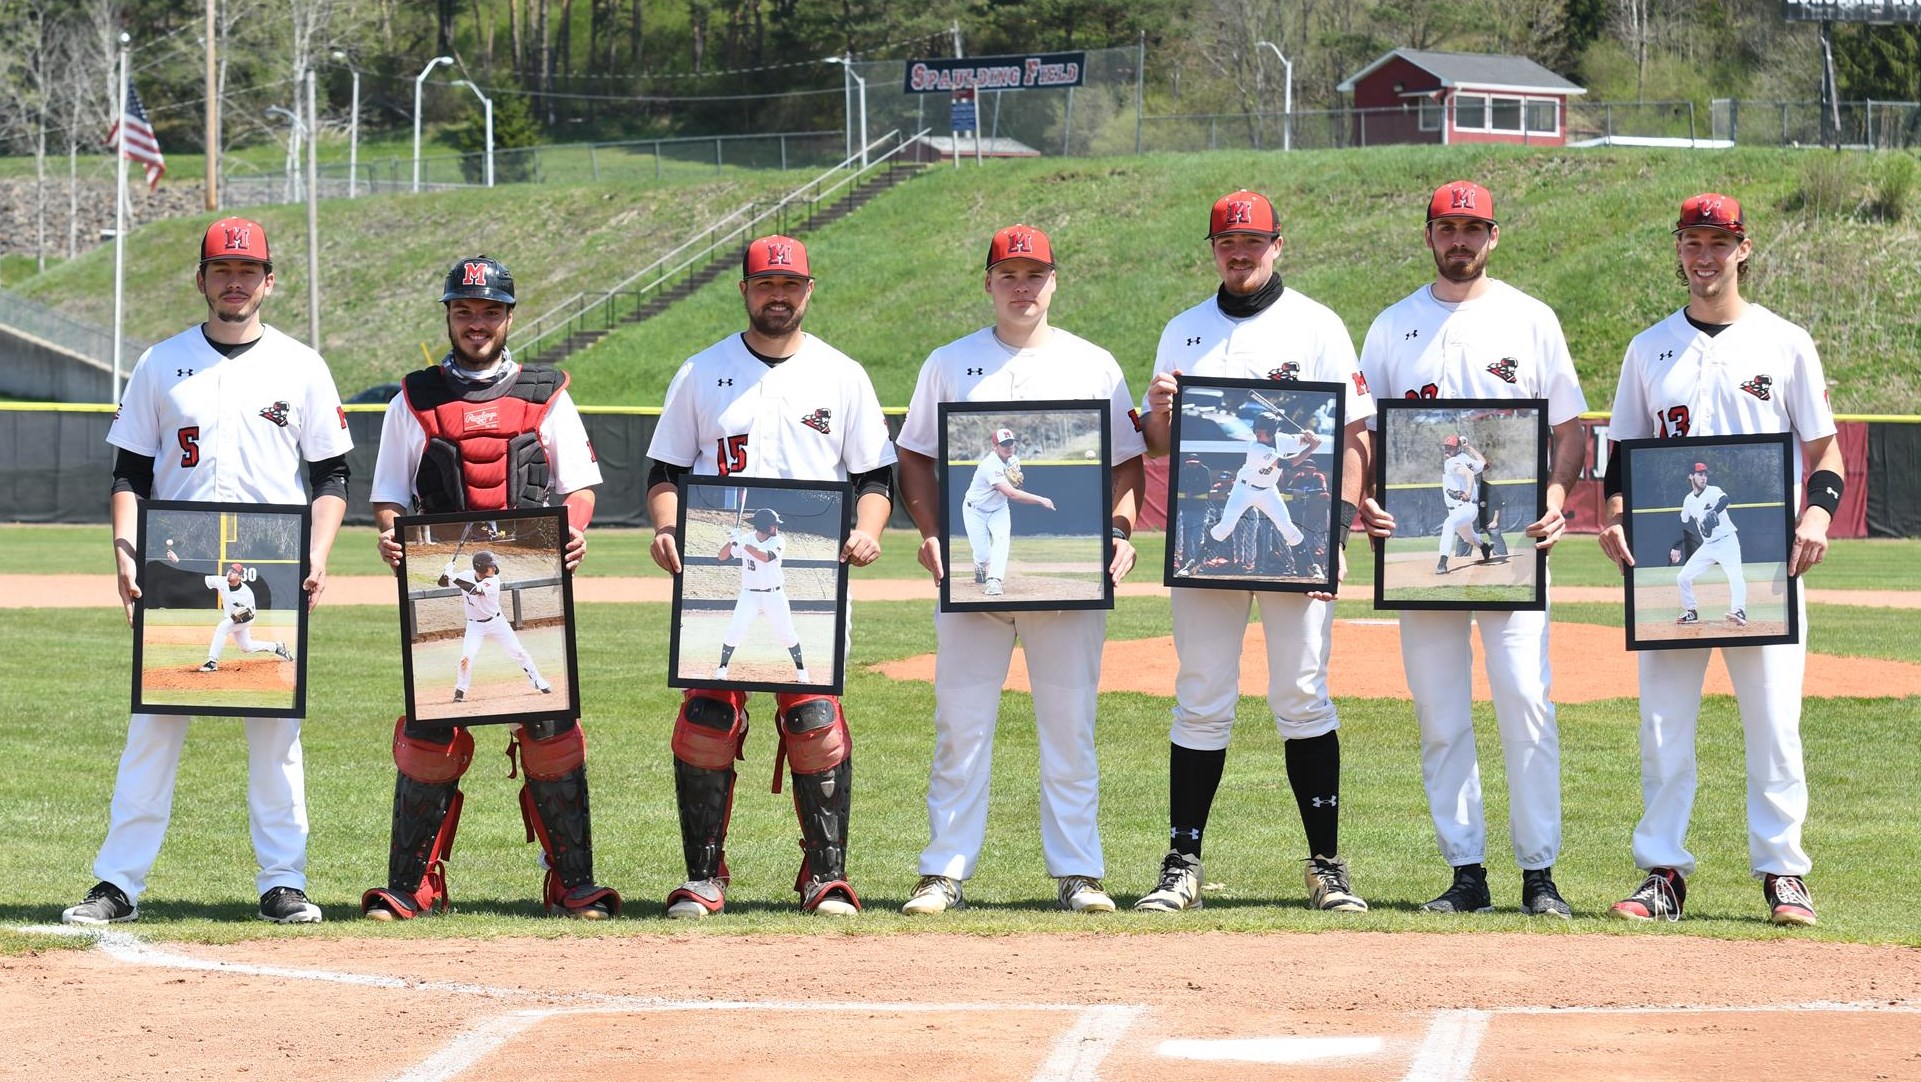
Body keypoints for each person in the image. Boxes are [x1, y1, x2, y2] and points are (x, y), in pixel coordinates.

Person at [62, 216, 351, 926]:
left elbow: (333, 473)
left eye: (247, 270)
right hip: (176, 558)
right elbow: (129, 471)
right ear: (201, 279)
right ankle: (117, 885)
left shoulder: (302, 365)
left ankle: (282, 881)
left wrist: (317, 556)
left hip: (275, 559)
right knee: (153, 728)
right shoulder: (161, 362)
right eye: (222, 270)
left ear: (268, 281)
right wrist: (124, 557)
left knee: (276, 736)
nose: (234, 282)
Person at [1597, 192, 1843, 927]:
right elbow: (1622, 455)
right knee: (1664, 725)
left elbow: (1822, 447)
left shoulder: (1784, 341)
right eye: (1690, 241)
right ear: (1677, 249)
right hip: (1673, 561)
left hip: (1766, 559)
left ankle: (1782, 874)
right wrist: (1611, 516)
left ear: (1743, 248)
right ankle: (1662, 873)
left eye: (1717, 241)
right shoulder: (1648, 347)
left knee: (1772, 721)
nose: (1703, 255)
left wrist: (1818, 511)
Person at [895, 224, 1146, 916]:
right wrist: (931, 533)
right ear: (987, 283)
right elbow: (914, 453)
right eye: (1007, 274)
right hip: (973, 565)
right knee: (961, 724)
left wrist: (1120, 531)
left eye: (1033, 274)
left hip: (1067, 576)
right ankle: (942, 870)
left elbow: (1126, 461)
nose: (1021, 287)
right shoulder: (949, 362)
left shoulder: (1092, 364)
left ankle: (1078, 871)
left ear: (1054, 282)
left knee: (1069, 725)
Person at [1135, 190, 1373, 914]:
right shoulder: (1184, 330)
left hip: (1293, 544)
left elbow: (1354, 434)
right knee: (1201, 692)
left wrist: (1333, 534)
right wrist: (1160, 413)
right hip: (1211, 530)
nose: (1239, 252)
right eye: (1225, 242)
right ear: (1213, 248)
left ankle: (1326, 864)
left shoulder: (1316, 325)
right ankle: (1182, 862)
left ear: (1277, 245)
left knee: (1301, 691)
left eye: (1253, 242)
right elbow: (1157, 443)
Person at [362, 254, 619, 920]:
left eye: (489, 312)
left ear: (509, 315)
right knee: (430, 734)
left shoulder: (546, 390)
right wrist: (393, 538)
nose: (476, 323)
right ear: (448, 315)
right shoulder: (414, 397)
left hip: (531, 586)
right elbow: (390, 495)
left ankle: (571, 882)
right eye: (464, 311)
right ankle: (414, 883)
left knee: (550, 726)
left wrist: (574, 530)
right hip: (442, 596)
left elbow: (579, 486)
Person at [1356, 180, 1587, 918]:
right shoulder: (1393, 326)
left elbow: (1569, 428)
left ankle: (1539, 872)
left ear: (1493, 236)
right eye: (1445, 228)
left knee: (1525, 700)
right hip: (1420, 547)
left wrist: (1555, 499)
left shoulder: (1529, 318)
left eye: (1472, 228)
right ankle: (1465, 870)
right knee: (1440, 713)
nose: (1458, 240)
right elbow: (1366, 432)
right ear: (1427, 235)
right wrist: (1363, 498)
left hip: (1515, 543)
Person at [647, 235, 895, 918]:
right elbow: (666, 471)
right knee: (706, 716)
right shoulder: (701, 371)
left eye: (789, 286)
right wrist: (667, 528)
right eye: (765, 285)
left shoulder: (841, 375)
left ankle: (825, 876)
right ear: (745, 291)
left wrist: (867, 532)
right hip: (718, 570)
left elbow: (874, 476)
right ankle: (703, 876)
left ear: (808, 290)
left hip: (812, 570)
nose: (777, 297)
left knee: (814, 717)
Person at [1187, 411, 1321, 575]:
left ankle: (1310, 566)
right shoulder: (1255, 448)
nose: (1257, 433)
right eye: (1256, 429)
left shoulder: (1284, 440)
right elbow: (1289, 463)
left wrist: (1309, 436)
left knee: (1287, 527)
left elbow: (1302, 439)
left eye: (1261, 430)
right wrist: (1311, 449)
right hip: (1244, 489)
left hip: (1268, 491)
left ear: (1272, 431)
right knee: (1225, 527)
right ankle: (1195, 563)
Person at [441, 550, 553, 702]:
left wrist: (453, 576)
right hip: (475, 626)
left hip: (497, 623)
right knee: (466, 657)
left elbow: (475, 590)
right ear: (480, 568)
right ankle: (460, 690)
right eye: (490, 566)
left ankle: (537, 680)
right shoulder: (466, 575)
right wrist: (447, 571)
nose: (494, 569)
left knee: (519, 652)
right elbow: (441, 583)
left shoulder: (494, 581)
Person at [713, 507, 811, 682]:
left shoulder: (778, 541)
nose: (776, 528)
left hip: (774, 595)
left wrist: (742, 544)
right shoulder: (745, 539)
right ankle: (722, 668)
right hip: (749, 595)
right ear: (764, 526)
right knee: (734, 631)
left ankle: (802, 671)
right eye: (774, 525)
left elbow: (765, 557)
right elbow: (721, 557)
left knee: (787, 634)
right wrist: (731, 542)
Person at [960, 427, 1056, 597]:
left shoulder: (1014, 460)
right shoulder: (989, 465)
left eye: (1011, 443)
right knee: (983, 555)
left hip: (999, 509)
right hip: (975, 510)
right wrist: (1041, 499)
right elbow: (1012, 494)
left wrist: (1018, 483)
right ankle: (980, 566)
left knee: (1002, 539)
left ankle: (994, 581)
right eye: (1004, 444)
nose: (1009, 447)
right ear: (994, 447)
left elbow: (1016, 487)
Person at [1670, 461, 1747, 625]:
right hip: (1709, 546)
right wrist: (1677, 546)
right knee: (1683, 577)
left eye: (1705, 474)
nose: (1703, 477)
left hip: (1727, 541)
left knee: (1735, 575)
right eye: (1699, 474)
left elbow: (1725, 499)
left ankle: (1739, 611)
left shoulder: (1713, 491)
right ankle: (1691, 612)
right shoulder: (1689, 500)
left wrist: (1714, 511)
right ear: (1691, 476)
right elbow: (1684, 522)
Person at [194, 562, 296, 671]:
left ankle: (212, 662)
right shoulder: (222, 581)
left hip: (247, 619)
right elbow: (203, 580)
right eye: (230, 570)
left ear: (240, 577)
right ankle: (276, 647)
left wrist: (239, 617)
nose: (229, 573)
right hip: (232, 618)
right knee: (246, 647)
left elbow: (251, 613)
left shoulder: (246, 593)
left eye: (234, 572)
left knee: (222, 628)